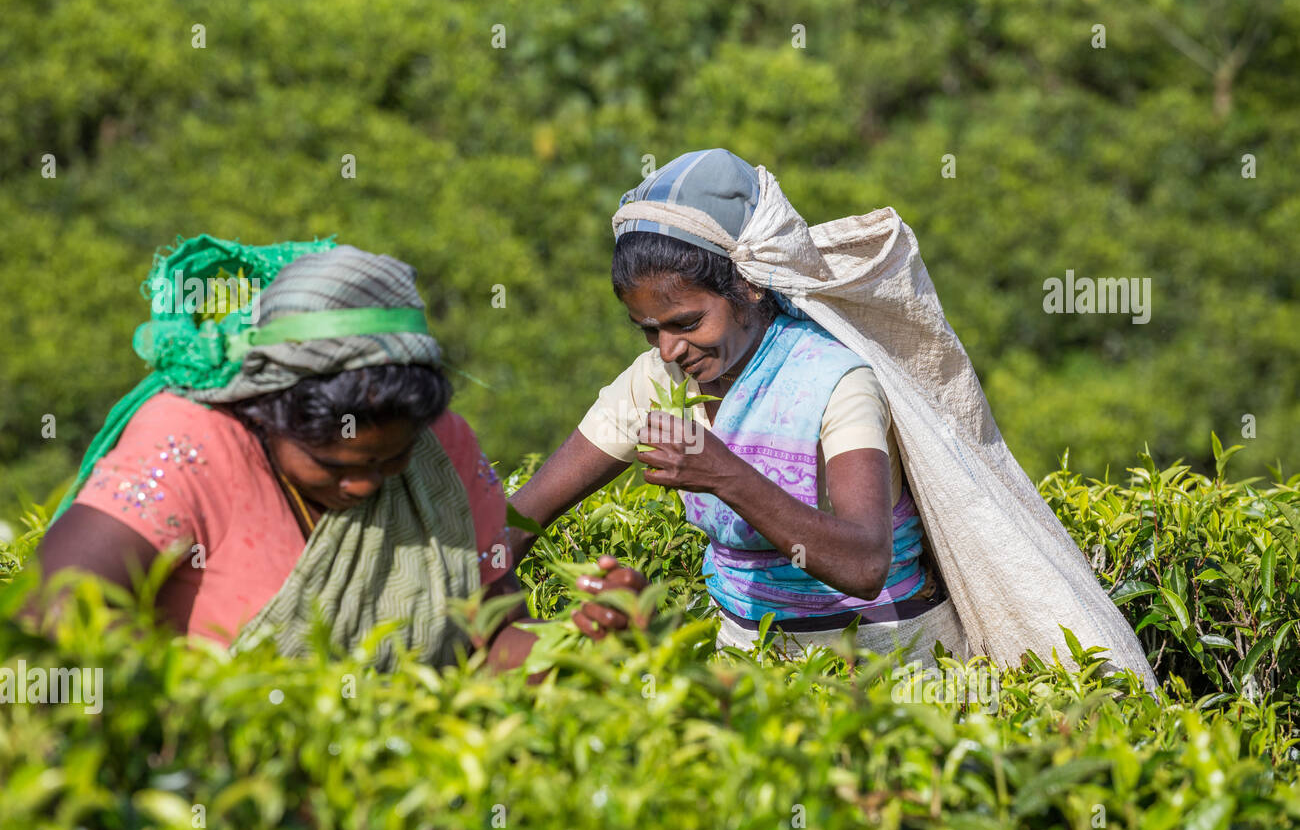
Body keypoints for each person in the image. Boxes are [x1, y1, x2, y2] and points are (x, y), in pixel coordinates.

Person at [28, 235, 637, 673]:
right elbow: (52, 615)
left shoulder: (441, 452)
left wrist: (581, 641)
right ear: (266, 413)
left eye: (388, 460)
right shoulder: (191, 443)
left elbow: (490, 637)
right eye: (336, 466)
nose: (366, 487)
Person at [507, 149, 961, 661]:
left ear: (747, 285)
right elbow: (524, 515)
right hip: (748, 654)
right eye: (649, 330)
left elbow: (864, 565)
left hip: (886, 655)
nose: (669, 350)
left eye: (687, 323)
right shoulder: (654, 381)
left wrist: (725, 474)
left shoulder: (834, 380)